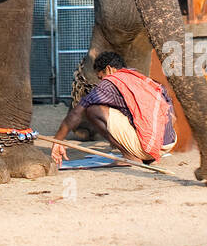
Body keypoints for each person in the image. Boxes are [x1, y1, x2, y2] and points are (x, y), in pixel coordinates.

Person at [49, 52, 177, 165]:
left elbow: (76, 112)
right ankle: (146, 155)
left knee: (92, 110)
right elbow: (173, 117)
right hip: (167, 144)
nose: (101, 81)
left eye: (100, 77)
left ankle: (129, 156)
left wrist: (58, 141)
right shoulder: (142, 79)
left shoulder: (110, 82)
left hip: (148, 148)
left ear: (109, 69)